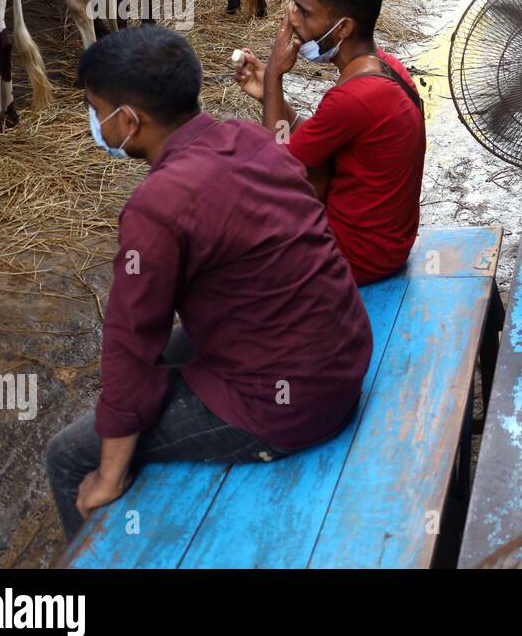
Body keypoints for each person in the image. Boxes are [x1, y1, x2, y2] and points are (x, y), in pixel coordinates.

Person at [45, 27, 373, 540]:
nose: (94, 121)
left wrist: (108, 474)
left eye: (95, 108)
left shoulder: (157, 207)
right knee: (156, 367)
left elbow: (132, 340)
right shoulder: (250, 139)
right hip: (343, 363)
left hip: (285, 408)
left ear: (128, 121)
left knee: (69, 454)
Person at [235, 0, 425, 286]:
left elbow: (276, 175)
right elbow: (313, 139)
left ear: (344, 28)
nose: (293, 21)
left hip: (354, 260)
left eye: (305, 14)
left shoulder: (353, 97)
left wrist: (274, 77)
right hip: (389, 249)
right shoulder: (388, 68)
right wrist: (270, 96)